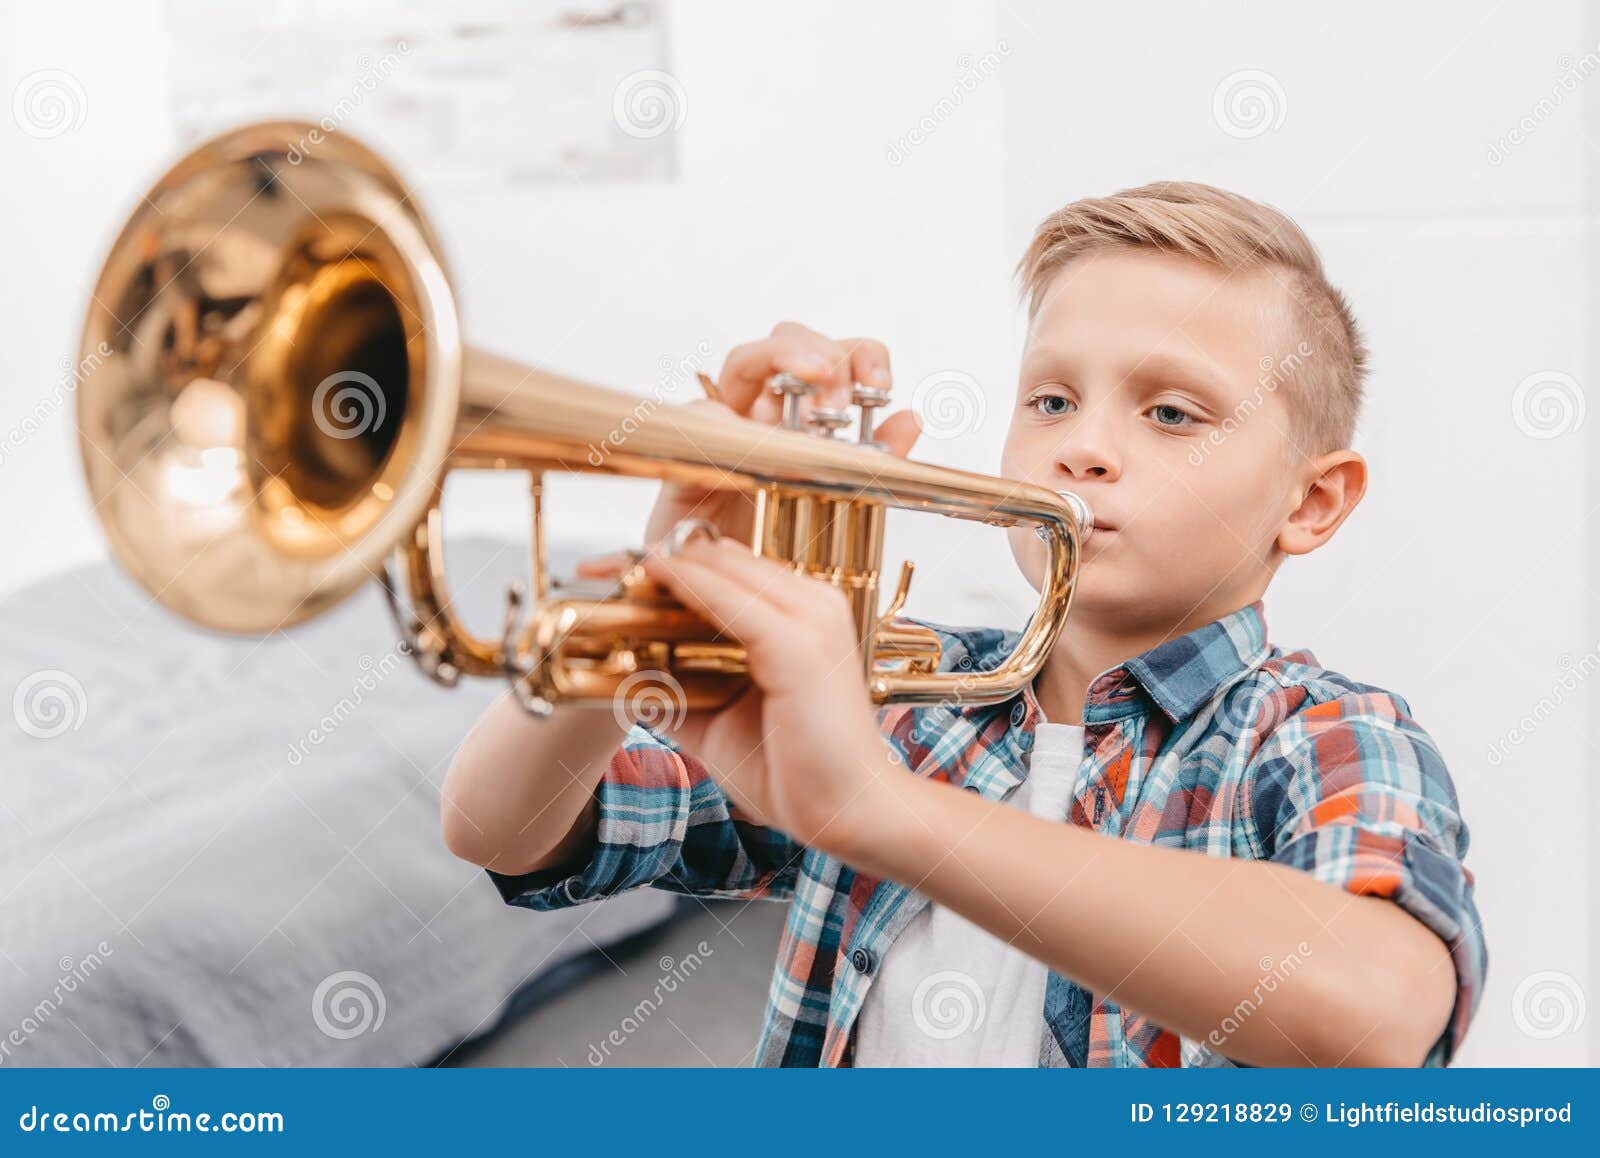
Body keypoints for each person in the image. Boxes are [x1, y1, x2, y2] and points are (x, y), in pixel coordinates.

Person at [441, 182, 1486, 1068]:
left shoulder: (1320, 736)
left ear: (1310, 503)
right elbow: (503, 832)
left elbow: (1381, 1010)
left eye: (1170, 413)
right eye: (1050, 401)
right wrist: (648, 616)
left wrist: (874, 806)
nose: (1082, 449)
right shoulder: (897, 699)